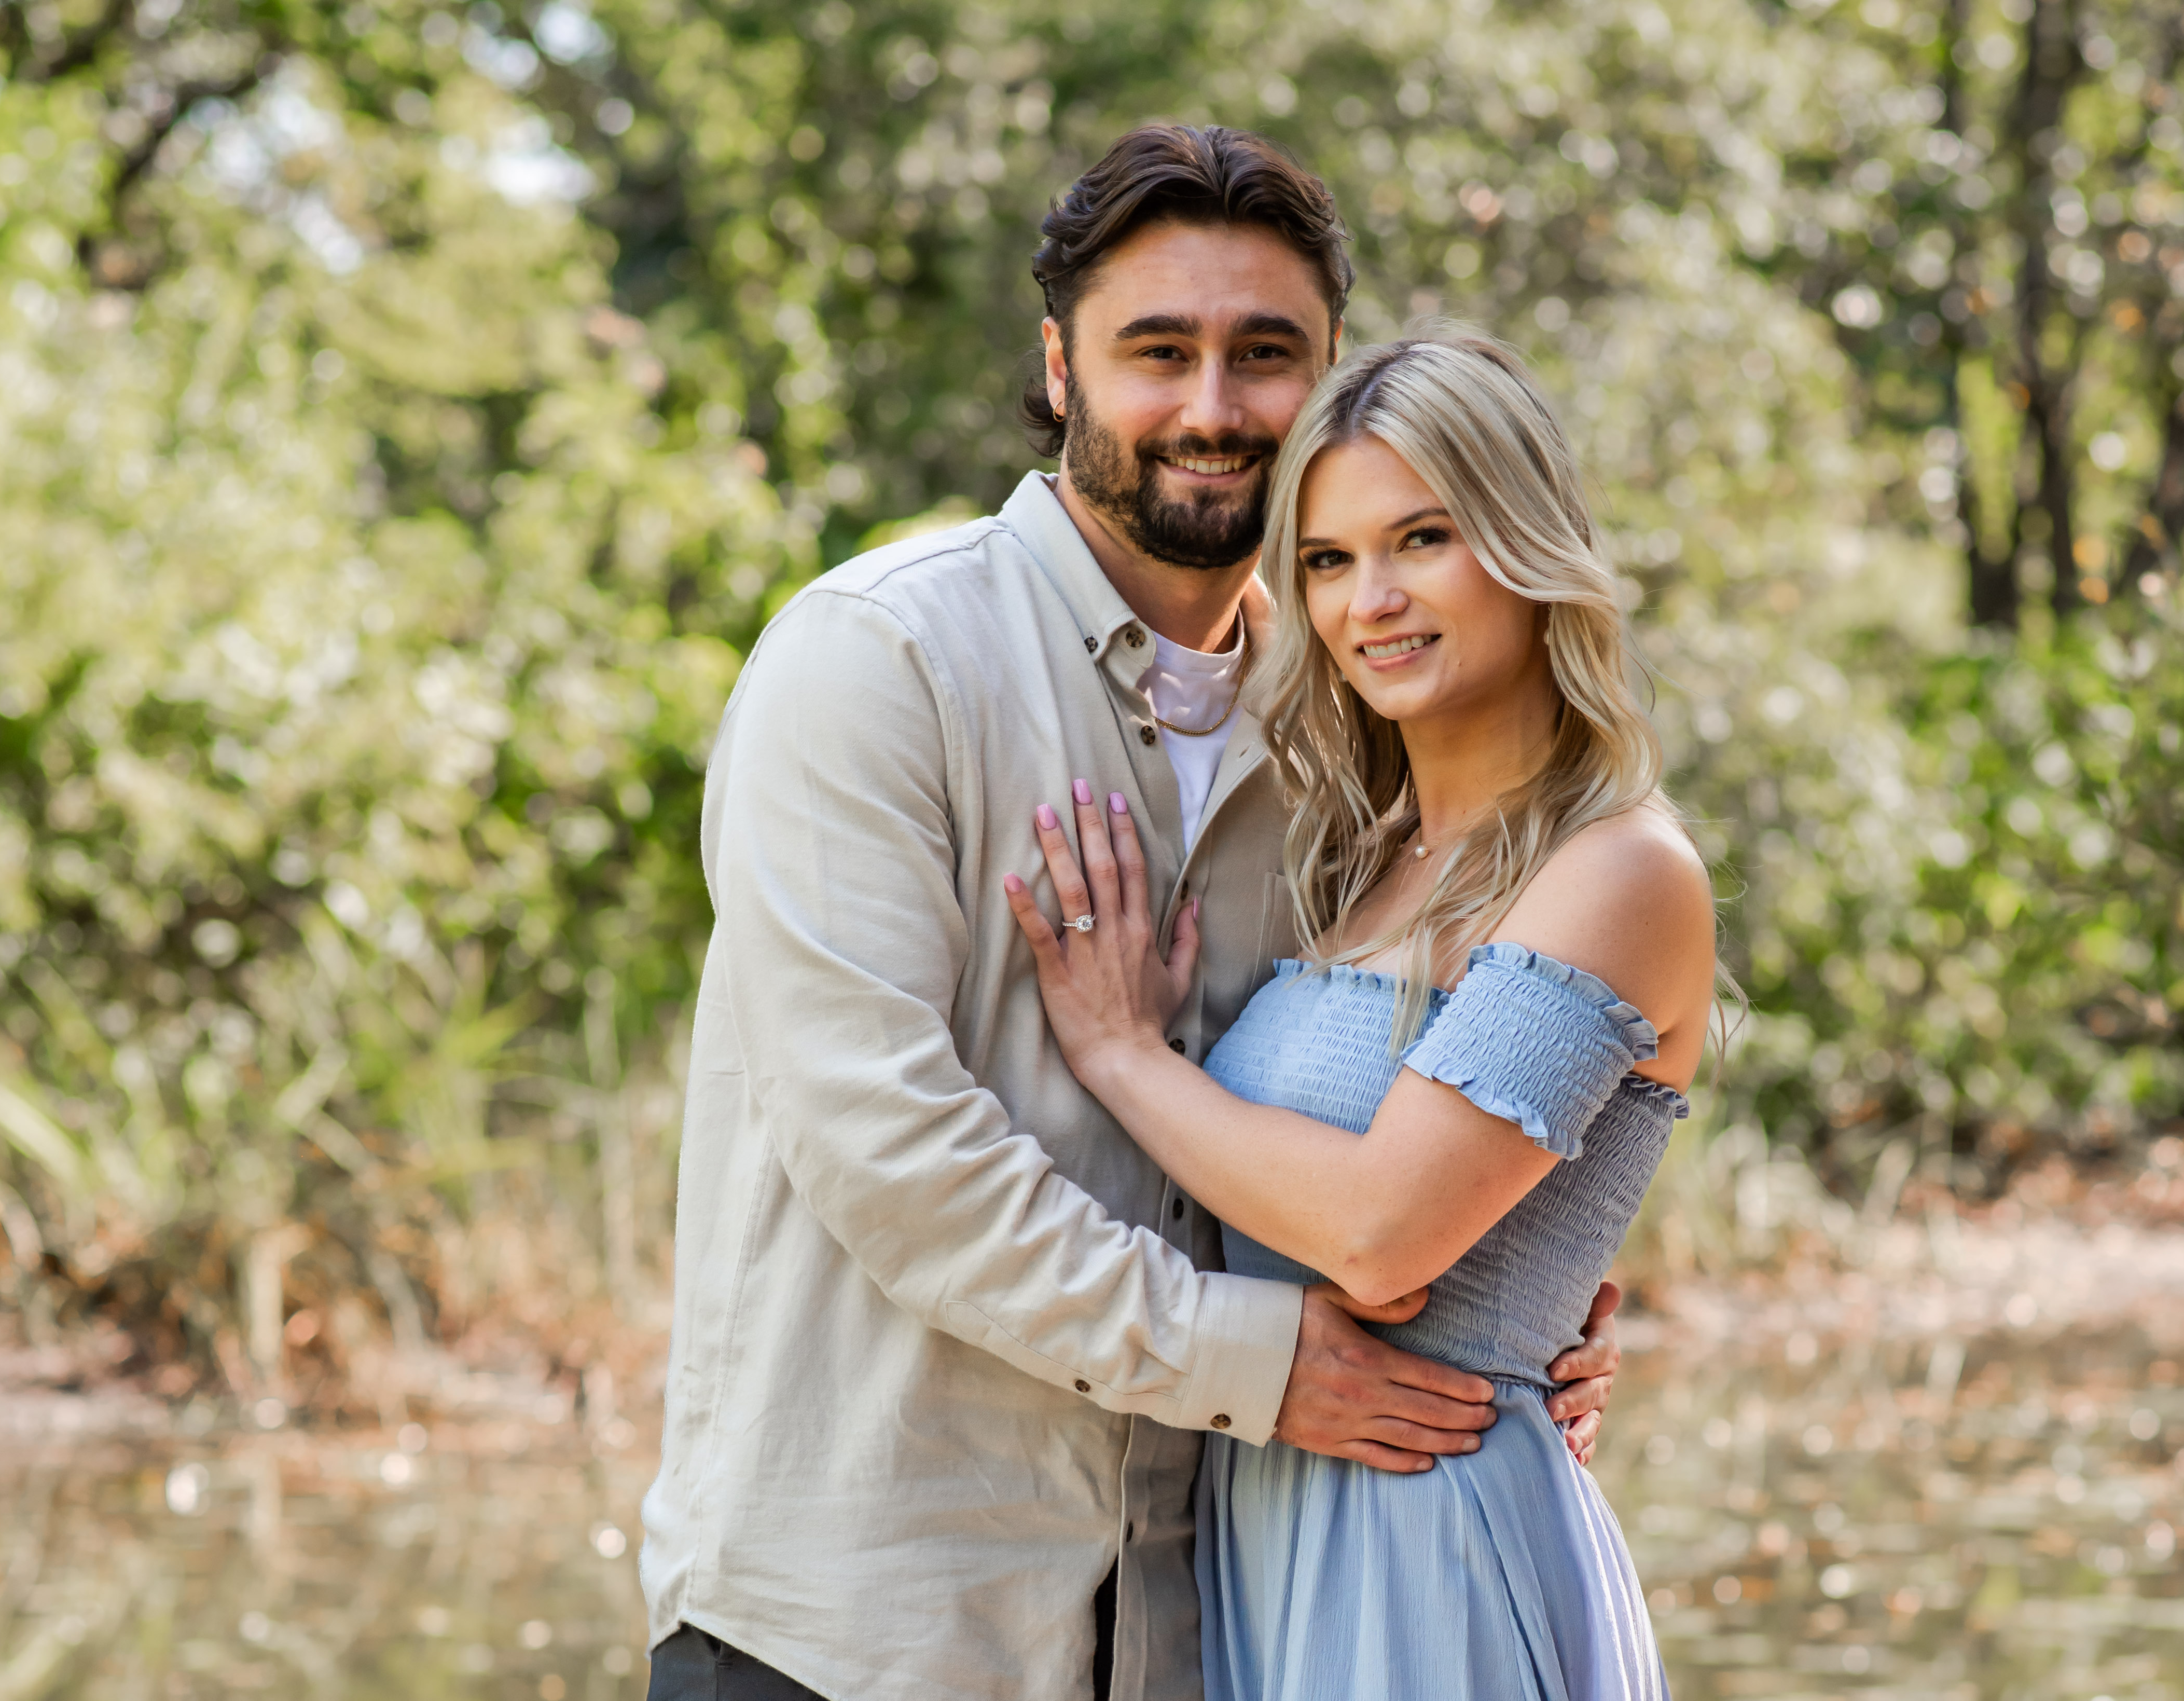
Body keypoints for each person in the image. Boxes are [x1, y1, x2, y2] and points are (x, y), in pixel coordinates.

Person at [639, 128, 1625, 1701]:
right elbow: (882, 1152)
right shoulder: (879, 663)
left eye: (1267, 355)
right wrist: (1260, 1364)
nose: (1214, 408)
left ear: (1329, 379)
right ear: (1058, 368)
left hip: (1199, 1630)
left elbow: (1386, 1137)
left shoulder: (1347, 746)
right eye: (1157, 352)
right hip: (867, 1631)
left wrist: (1522, 1316)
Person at [1002, 328, 1718, 1698]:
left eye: (1424, 539)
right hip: (1270, 1534)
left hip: (1435, 1546)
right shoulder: (1355, 858)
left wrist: (1116, 1050)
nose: (1370, 599)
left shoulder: (1620, 868)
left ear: (1524, 543)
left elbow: (1382, 1238)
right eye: (1328, 561)